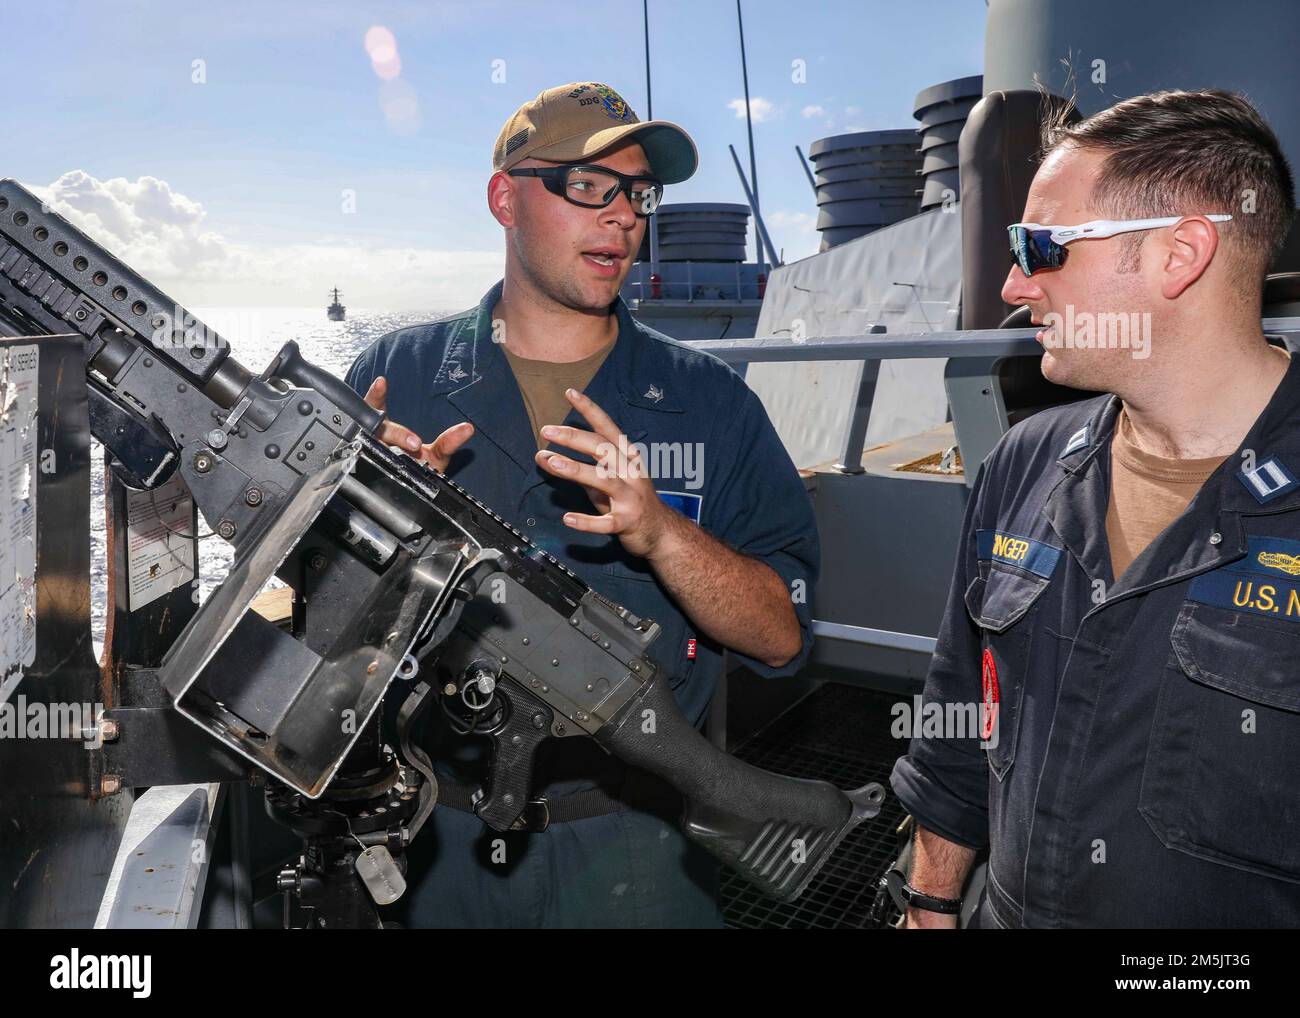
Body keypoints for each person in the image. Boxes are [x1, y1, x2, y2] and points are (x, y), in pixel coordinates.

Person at [345, 81, 818, 928]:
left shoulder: (711, 401)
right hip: (437, 840)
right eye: (589, 187)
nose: (623, 217)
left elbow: (781, 635)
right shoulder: (397, 377)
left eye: (638, 194)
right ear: (505, 200)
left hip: (641, 849)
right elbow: (323, 623)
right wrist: (372, 519)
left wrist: (664, 535)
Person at [890, 89, 1300, 927]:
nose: (1013, 284)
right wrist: (929, 900)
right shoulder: (1024, 461)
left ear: (1180, 254)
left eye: (1042, 247)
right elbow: (959, 712)